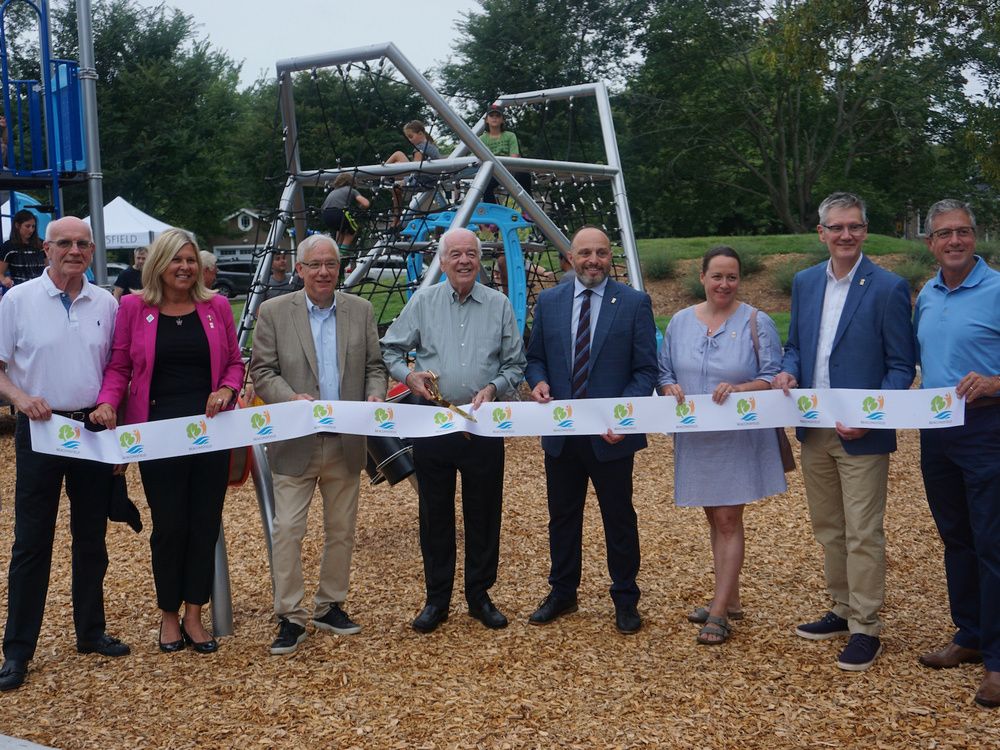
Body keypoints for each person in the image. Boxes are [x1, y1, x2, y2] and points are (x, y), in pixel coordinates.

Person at [772, 191, 916, 671]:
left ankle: (866, 627)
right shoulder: (805, 282)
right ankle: (841, 607)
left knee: (863, 533)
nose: (846, 235)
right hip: (815, 427)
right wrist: (788, 372)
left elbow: (900, 366)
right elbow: (795, 345)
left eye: (854, 226)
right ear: (822, 233)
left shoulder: (889, 287)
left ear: (865, 230)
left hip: (862, 434)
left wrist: (871, 416)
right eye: (836, 227)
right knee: (829, 528)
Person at [90, 228, 243, 655]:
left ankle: (195, 614)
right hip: (156, 433)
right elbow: (119, 365)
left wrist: (228, 390)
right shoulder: (135, 307)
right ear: (159, 263)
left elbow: (234, 362)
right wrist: (107, 404)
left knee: (203, 524)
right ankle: (169, 616)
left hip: (211, 431)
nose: (185, 267)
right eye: (177, 260)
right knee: (170, 525)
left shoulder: (216, 307)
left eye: (191, 260)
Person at [0, 216, 129, 693]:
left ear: (92, 251)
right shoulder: (17, 300)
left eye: (82, 244)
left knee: (91, 537)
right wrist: (18, 397)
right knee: (32, 541)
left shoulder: (106, 304)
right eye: (65, 243)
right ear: (47, 249)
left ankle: (90, 631)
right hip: (41, 428)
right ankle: (17, 651)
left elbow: (118, 367)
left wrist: (118, 426)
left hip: (92, 429)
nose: (74, 250)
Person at [381, 227, 525, 633]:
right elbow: (391, 349)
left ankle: (479, 596)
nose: (464, 261)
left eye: (471, 254)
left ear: (479, 259)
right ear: (442, 262)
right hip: (433, 425)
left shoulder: (498, 305)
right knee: (435, 514)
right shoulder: (423, 302)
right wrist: (409, 377)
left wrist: (495, 387)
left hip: (482, 427)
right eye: (455, 254)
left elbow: (516, 363)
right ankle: (436, 599)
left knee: (484, 513)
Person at [250, 234, 387, 654]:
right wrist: (290, 399)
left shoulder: (360, 311)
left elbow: (375, 366)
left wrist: (375, 396)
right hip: (295, 441)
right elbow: (263, 371)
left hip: (345, 441)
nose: (324, 272)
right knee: (287, 530)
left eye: (331, 264)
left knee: (341, 530)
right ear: (300, 269)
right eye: (315, 265)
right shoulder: (274, 312)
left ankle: (330, 606)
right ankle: (290, 615)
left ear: (339, 268)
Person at [524, 226, 657, 634]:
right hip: (562, 435)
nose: (593, 260)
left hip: (610, 435)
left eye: (601, 253)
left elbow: (645, 369)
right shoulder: (549, 301)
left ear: (609, 256)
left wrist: (622, 417)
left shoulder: (633, 303)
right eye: (585, 253)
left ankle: (625, 597)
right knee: (562, 517)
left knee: (618, 517)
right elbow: (536, 358)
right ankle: (563, 592)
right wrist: (538, 382)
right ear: (570, 256)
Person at [657, 246, 787, 645]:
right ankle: (729, 598)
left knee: (729, 518)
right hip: (696, 436)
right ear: (702, 278)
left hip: (737, 435)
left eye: (732, 277)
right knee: (714, 517)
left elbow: (773, 375)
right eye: (717, 276)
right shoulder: (679, 322)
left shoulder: (755, 321)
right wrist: (668, 386)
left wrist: (742, 388)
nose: (724, 284)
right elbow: (664, 370)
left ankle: (718, 612)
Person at [913, 199, 1000, 708]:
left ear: (975, 236)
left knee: (992, 541)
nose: (954, 241)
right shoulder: (926, 293)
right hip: (937, 428)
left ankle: (997, 659)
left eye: (962, 231)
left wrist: (993, 381)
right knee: (956, 537)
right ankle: (969, 634)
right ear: (931, 243)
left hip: (988, 426)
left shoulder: (996, 288)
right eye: (944, 234)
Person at [384, 120, 441, 228]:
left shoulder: (420, 148)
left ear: (420, 133)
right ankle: (386, 175)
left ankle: (381, 174)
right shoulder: (432, 146)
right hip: (431, 180)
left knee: (398, 155)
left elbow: (414, 168)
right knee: (398, 166)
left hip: (422, 180)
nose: (410, 140)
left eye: (411, 137)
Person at [479, 104, 532, 204]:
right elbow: (477, 157)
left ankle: (528, 208)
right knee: (484, 185)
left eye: (497, 116)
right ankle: (492, 211)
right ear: (486, 120)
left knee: (524, 175)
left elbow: (514, 157)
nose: (494, 118)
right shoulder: (481, 139)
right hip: (492, 171)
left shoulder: (510, 136)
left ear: (503, 120)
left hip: (509, 170)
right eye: (491, 116)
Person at [320, 174, 371, 249]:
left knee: (340, 229)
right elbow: (366, 203)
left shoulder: (333, 191)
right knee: (353, 228)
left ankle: (337, 248)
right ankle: (344, 250)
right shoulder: (351, 190)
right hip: (339, 212)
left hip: (326, 215)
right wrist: (359, 208)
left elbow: (322, 207)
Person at [0, 209, 46, 289]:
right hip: (19, 291)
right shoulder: (8, 246)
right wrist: (4, 280)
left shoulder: (42, 245)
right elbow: (0, 273)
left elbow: (48, 269)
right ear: (17, 225)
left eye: (33, 226)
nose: (31, 230)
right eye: (27, 226)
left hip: (41, 289)